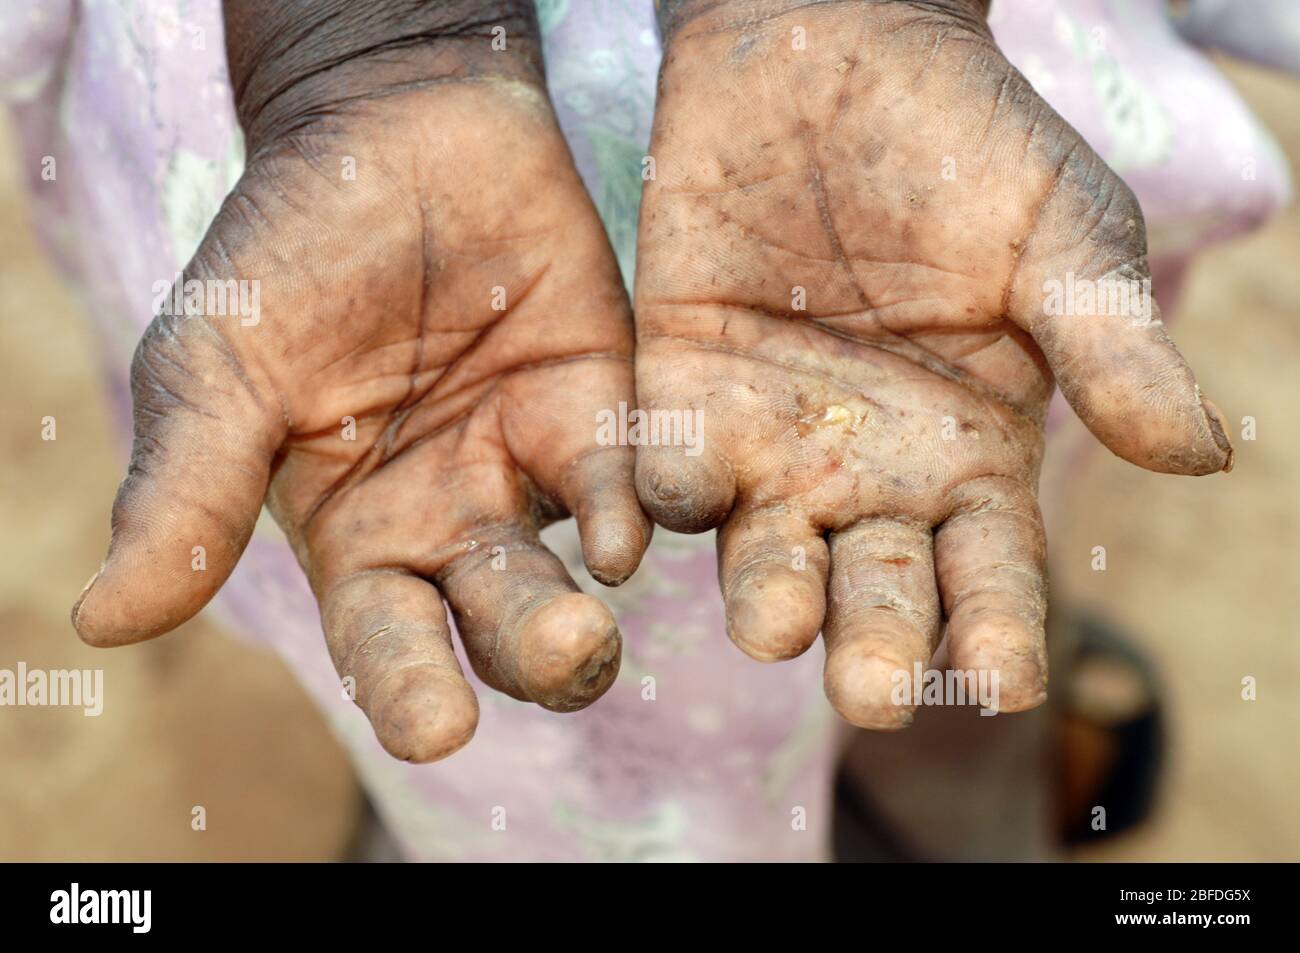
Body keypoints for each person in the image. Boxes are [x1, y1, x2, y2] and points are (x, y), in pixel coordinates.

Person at [2, 0, 1289, 861]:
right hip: (371, 309)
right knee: (532, 725)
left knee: (958, 537)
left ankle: (947, 787)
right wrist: (364, 51)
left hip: (913, 196)